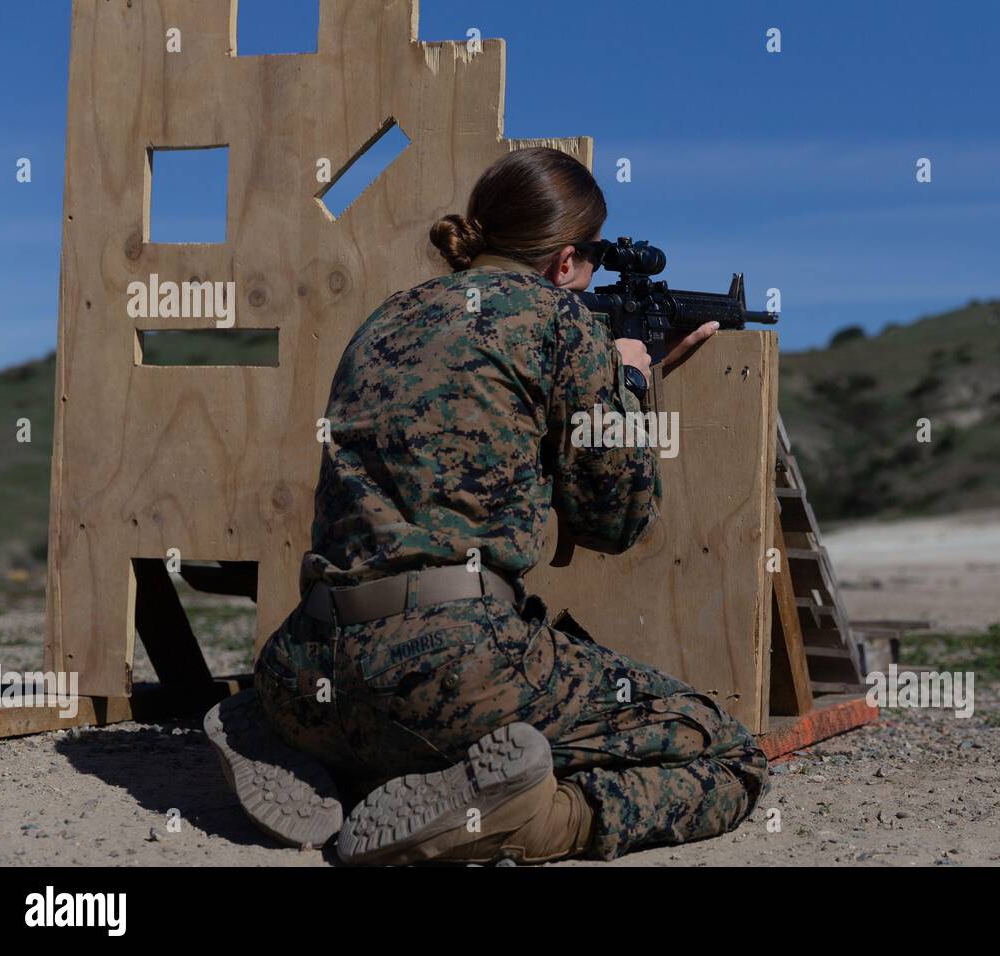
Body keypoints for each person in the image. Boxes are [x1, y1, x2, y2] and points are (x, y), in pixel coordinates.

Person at [204, 147, 769, 864]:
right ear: (565, 262)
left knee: (387, 715)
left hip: (304, 664)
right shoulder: (563, 323)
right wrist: (626, 382)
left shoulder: (388, 315)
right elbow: (618, 520)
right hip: (453, 670)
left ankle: (302, 750)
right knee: (728, 754)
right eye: (591, 258)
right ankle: (539, 820)